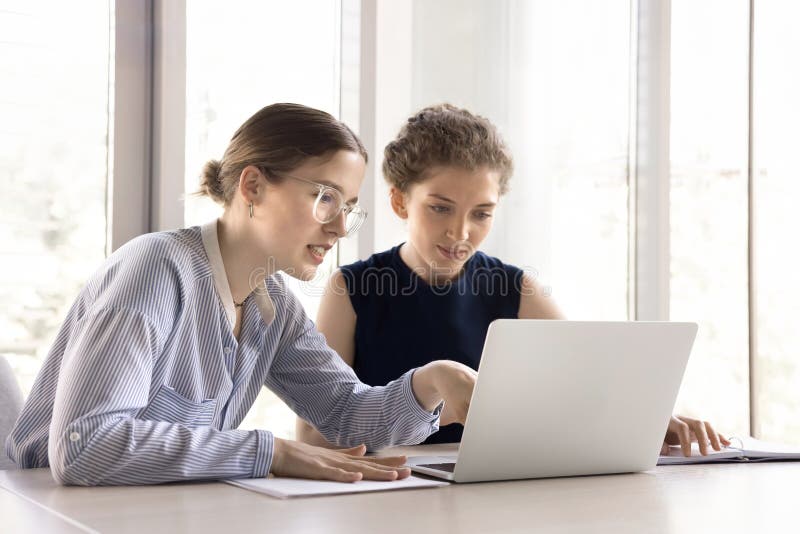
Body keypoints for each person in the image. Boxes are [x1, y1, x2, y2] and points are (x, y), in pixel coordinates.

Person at [5, 103, 478, 486]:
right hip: (51, 513)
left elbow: (345, 413)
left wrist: (433, 382)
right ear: (253, 185)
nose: (338, 228)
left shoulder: (272, 304)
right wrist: (267, 451)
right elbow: (85, 446)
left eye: (348, 208)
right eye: (326, 198)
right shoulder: (154, 271)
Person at [297, 103, 731, 457]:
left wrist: (656, 414)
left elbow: (596, 378)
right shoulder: (352, 290)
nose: (460, 232)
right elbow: (314, 438)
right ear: (399, 201)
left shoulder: (515, 288)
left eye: (481, 213)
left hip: (493, 491)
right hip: (385, 493)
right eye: (441, 208)